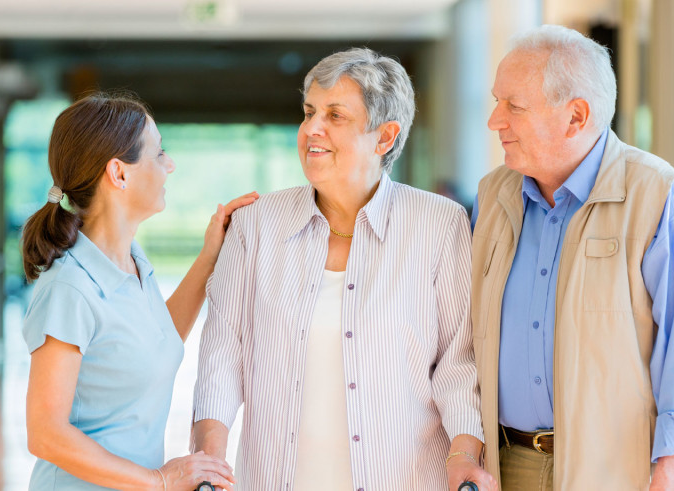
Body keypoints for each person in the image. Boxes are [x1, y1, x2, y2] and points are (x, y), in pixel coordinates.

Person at [190, 47, 496, 491]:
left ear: (384, 137)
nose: (312, 128)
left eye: (335, 115)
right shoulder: (255, 226)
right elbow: (221, 358)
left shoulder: (438, 224)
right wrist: (209, 466)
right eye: (309, 111)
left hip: (405, 479)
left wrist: (465, 455)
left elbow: (458, 363)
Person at [471, 25, 674, 490]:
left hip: (620, 473)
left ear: (575, 117)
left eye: (513, 105)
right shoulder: (493, 196)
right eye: (497, 101)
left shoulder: (660, 197)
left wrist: (669, 478)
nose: (495, 121)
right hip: (506, 468)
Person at [20, 93, 257, 490]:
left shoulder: (132, 261)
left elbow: (154, 341)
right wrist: (159, 480)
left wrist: (209, 257)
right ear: (119, 173)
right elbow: (45, 433)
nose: (170, 165)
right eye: (159, 153)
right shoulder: (69, 288)